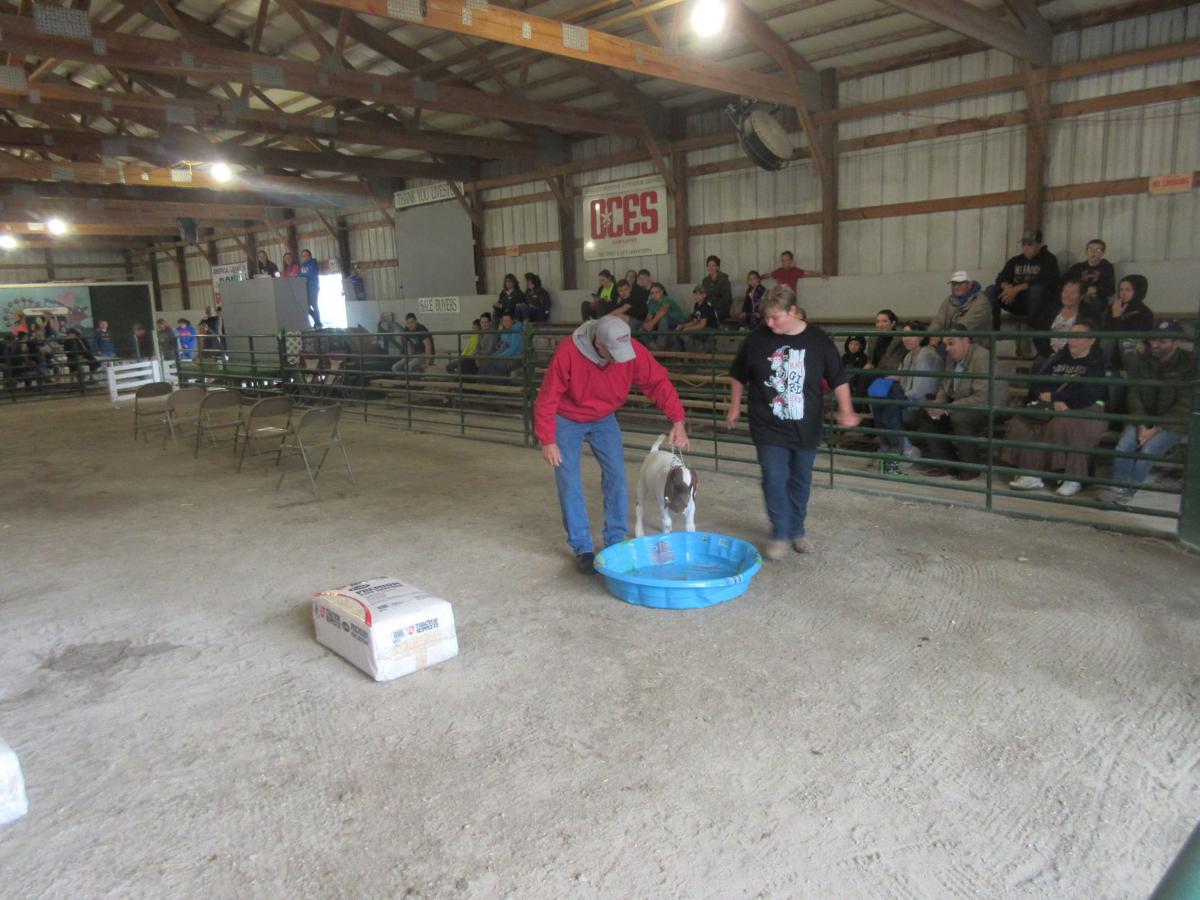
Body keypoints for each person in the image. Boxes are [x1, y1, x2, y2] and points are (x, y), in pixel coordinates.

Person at [535, 317, 689, 574]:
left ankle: (615, 539)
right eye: (614, 353)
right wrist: (548, 439)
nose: (621, 358)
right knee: (569, 478)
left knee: (617, 474)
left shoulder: (632, 350)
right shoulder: (568, 353)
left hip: (604, 416)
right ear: (598, 343)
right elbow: (547, 397)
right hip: (567, 417)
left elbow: (657, 382)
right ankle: (582, 546)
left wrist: (678, 420)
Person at [725, 285, 860, 560]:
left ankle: (796, 530)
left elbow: (838, 378)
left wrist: (847, 409)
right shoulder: (756, 340)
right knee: (774, 479)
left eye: (776, 317)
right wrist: (735, 406)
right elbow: (738, 374)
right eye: (766, 318)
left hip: (807, 426)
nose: (770, 324)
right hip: (767, 425)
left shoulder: (818, 340)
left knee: (800, 480)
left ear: (793, 311)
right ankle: (780, 532)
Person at [1004, 321, 1109, 497]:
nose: (1073, 340)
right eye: (1071, 335)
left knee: (1063, 424)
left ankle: (1072, 477)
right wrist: (1053, 400)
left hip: (1086, 408)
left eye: (1079, 336)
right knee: (1021, 423)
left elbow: (1091, 393)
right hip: (1054, 405)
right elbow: (1038, 384)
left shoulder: (1097, 362)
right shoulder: (1058, 358)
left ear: (1091, 340)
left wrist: (1058, 399)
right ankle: (1032, 474)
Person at [1102, 320, 1194, 504]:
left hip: (1172, 424)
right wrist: (1143, 423)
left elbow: (1184, 405)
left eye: (1162, 341)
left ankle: (1125, 494)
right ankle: (1118, 489)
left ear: (1177, 343)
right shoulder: (1144, 360)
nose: (1155, 344)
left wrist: (1156, 427)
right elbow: (1134, 394)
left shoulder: (1189, 365)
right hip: (1144, 418)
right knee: (1123, 447)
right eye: (1154, 340)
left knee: (1147, 452)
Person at [910, 325, 1008, 480]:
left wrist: (948, 408)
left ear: (966, 340)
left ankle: (971, 467)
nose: (947, 348)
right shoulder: (952, 358)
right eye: (946, 344)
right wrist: (938, 404)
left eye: (951, 343)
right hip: (961, 403)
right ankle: (947, 463)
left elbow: (983, 397)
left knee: (960, 418)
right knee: (925, 414)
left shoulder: (982, 357)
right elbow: (944, 386)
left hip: (989, 406)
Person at [869, 321, 941, 473]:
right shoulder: (909, 355)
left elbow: (921, 390)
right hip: (908, 398)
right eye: (905, 335)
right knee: (878, 401)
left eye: (911, 335)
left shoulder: (926, 355)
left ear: (921, 337)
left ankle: (901, 448)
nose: (906, 339)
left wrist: (898, 396)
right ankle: (891, 448)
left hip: (923, 402)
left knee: (888, 405)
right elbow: (903, 382)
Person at [987, 228, 1060, 333]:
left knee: (1037, 290)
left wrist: (1017, 289)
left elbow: (1047, 280)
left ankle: (1032, 328)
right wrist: (1007, 287)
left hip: (1038, 302)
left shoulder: (1049, 259)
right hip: (1013, 299)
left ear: (1039, 244)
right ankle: (994, 330)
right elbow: (1001, 277)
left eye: (1029, 244)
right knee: (990, 290)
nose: (1026, 247)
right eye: (1024, 244)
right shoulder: (1015, 261)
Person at [930, 271, 992, 343]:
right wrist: (931, 335)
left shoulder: (981, 301)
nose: (956, 287)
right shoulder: (949, 300)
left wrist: (941, 338)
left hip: (977, 345)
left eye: (960, 284)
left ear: (970, 284)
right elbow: (938, 321)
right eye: (954, 284)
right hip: (952, 342)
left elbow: (963, 327)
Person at [1062, 239, 1115, 317]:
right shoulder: (1078, 267)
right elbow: (1064, 281)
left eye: (1098, 250)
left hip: (1096, 299)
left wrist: (1096, 289)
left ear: (1103, 253)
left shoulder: (1106, 267)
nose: (1093, 252)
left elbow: (1111, 289)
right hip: (1077, 297)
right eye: (1090, 249)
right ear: (1086, 252)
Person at [1041, 279, 1085, 361]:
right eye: (1065, 292)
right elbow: (1040, 336)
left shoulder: (1086, 315)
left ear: (1081, 297)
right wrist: (1049, 352)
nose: (1068, 295)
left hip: (1074, 357)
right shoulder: (1050, 311)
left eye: (1073, 293)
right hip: (1049, 355)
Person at [479, 313, 524, 377]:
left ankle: (498, 385)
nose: (506, 323)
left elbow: (513, 348)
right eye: (504, 321)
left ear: (512, 321)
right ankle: (482, 384)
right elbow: (501, 348)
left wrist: (500, 356)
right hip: (505, 357)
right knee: (485, 363)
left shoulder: (516, 331)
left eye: (508, 321)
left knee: (496, 365)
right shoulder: (504, 333)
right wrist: (494, 355)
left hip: (516, 357)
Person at [676, 284, 719, 350]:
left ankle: (693, 353)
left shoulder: (706, 306)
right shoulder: (696, 305)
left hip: (711, 329)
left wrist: (688, 329)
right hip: (703, 328)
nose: (696, 296)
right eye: (695, 294)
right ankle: (683, 354)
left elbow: (702, 324)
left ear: (704, 295)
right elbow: (694, 321)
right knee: (679, 331)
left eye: (699, 294)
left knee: (687, 333)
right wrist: (683, 326)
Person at [644, 282, 685, 350]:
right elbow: (649, 316)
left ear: (662, 292)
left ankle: (660, 345)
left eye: (656, 292)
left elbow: (663, 311)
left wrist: (651, 323)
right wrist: (646, 324)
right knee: (642, 328)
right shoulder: (651, 302)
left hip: (677, 322)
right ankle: (651, 347)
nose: (654, 295)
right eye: (652, 293)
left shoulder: (666, 299)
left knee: (663, 317)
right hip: (663, 323)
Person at [701, 255, 734, 322]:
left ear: (717, 267)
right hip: (708, 308)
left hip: (722, 308)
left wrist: (712, 305)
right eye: (709, 265)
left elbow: (727, 300)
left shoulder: (724, 280)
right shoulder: (705, 281)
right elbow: (703, 296)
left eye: (713, 265)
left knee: (709, 317)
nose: (711, 268)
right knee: (697, 315)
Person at [298, 249, 322, 328]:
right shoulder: (302, 265)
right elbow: (299, 275)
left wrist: (301, 277)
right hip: (305, 287)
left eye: (306, 255)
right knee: (306, 306)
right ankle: (316, 320)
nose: (305, 257)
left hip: (313, 287)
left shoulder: (313, 263)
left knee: (314, 304)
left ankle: (318, 323)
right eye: (303, 256)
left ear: (310, 256)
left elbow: (310, 274)